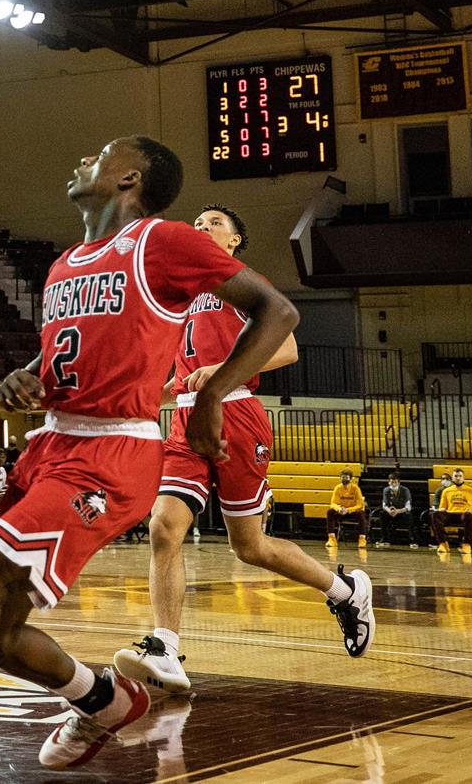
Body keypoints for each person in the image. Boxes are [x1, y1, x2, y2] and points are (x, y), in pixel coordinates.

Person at [0, 137, 299, 782]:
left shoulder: (164, 240)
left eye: (100, 154)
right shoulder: (66, 262)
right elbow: (62, 353)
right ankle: (106, 699)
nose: (82, 158)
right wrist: (24, 377)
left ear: (130, 178)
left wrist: (214, 393)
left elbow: (278, 312)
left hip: (113, 450)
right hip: (53, 440)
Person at [113, 202, 366, 697]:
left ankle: (344, 591)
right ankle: (165, 647)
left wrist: (224, 370)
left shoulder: (243, 283)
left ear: (233, 243)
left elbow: (289, 349)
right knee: (164, 527)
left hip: (237, 410)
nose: (202, 226)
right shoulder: (179, 297)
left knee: (249, 547)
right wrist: (136, 397)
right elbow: (177, 380)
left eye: (215, 223)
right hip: (186, 415)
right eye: (198, 222)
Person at [432, 468, 472, 560]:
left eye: (460, 476)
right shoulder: (446, 491)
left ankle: (466, 544)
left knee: (469, 516)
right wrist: (441, 509)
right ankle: (443, 543)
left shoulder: (471, 491)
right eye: (456, 476)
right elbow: (442, 507)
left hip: (464, 515)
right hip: (450, 514)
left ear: (464, 478)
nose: (458, 478)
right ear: (453, 478)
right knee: (435, 515)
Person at [326, 470, 369, 552]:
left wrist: (348, 510)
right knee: (330, 512)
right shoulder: (338, 488)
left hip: (352, 511)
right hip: (342, 511)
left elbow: (360, 505)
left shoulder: (355, 488)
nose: (344, 479)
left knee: (361, 514)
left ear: (350, 479)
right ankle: (332, 539)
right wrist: (339, 509)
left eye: (346, 477)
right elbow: (333, 503)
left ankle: (362, 539)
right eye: (342, 477)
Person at [376, 472, 413, 547]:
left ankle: (412, 539)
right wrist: (389, 510)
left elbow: (408, 506)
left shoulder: (405, 490)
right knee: (382, 514)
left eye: (395, 482)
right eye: (391, 482)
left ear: (399, 483)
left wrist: (398, 511)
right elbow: (384, 504)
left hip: (402, 512)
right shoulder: (386, 490)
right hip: (391, 512)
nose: (393, 484)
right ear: (388, 482)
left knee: (409, 516)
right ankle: (384, 538)